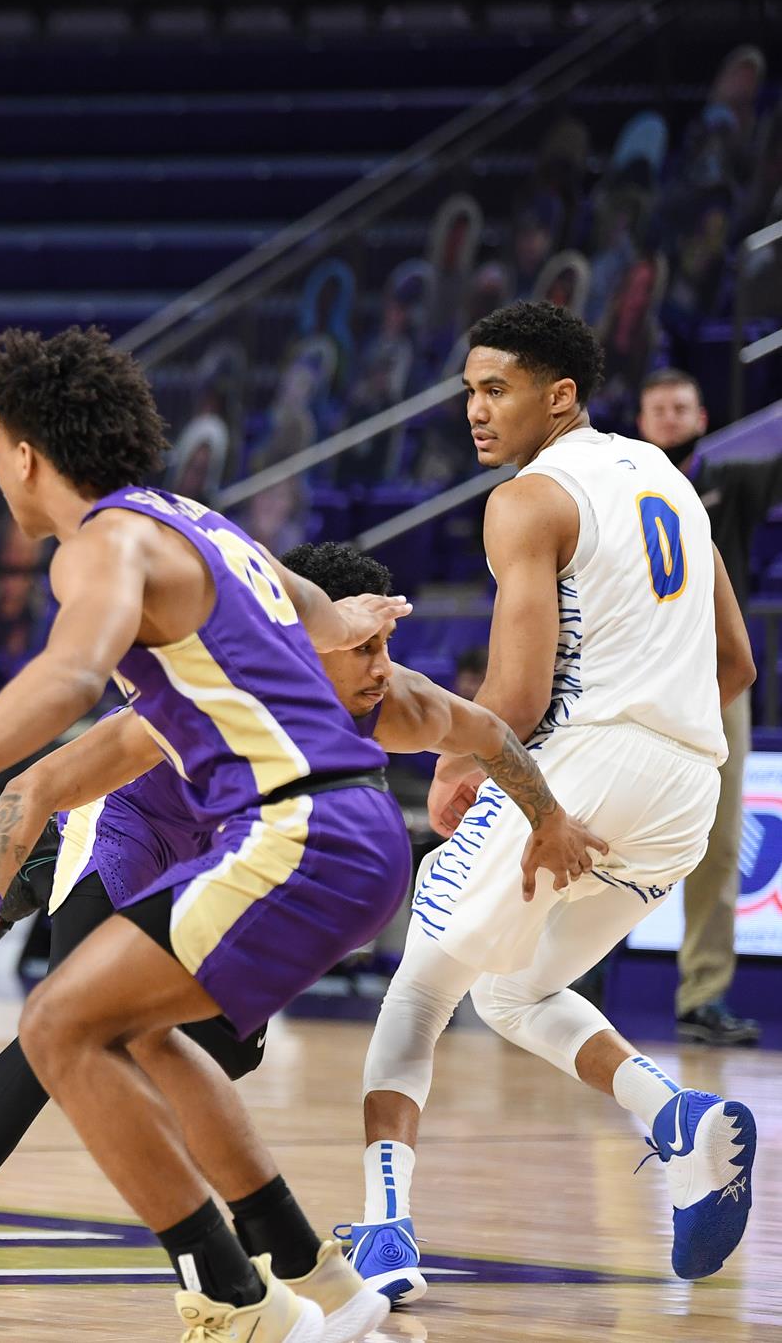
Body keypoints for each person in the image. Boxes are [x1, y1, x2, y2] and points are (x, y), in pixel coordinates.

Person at [0, 325, 439, 1343]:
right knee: (133, 1030)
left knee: (59, 1027)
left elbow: (70, 675)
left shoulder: (102, 543)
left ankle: (230, 1298)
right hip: (356, 829)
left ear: (25, 453)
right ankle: (314, 1280)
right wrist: (352, 622)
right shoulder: (199, 523)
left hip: (288, 830)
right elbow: (322, 615)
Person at [0, 541, 600, 1336]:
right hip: (126, 830)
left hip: (223, 852)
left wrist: (549, 818)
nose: (382, 666)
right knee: (64, 1028)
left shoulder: (392, 702)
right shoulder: (210, 695)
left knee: (218, 1049)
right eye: (362, 644)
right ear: (305, 637)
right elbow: (35, 784)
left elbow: (489, 733)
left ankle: (250, 1253)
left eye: (386, 643)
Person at [348, 302, 759, 1304]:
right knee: (512, 990)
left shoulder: (528, 499)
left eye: (496, 389)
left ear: (559, 394)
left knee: (422, 985)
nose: (475, 411)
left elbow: (520, 696)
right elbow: (737, 664)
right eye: (468, 392)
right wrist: (649, 737)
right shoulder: (668, 479)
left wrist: (459, 764)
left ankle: (383, 1227)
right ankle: (676, 1118)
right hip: (688, 786)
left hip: (584, 762)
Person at [637, 367, 782, 1045]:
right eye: (659, 408)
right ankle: (562, 978)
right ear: (641, 423)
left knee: (721, 844)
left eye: (681, 407)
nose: (670, 417)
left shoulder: (737, 482)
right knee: (598, 822)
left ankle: (702, 996)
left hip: (720, 679)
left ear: (701, 420)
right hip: (633, 678)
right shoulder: (617, 487)